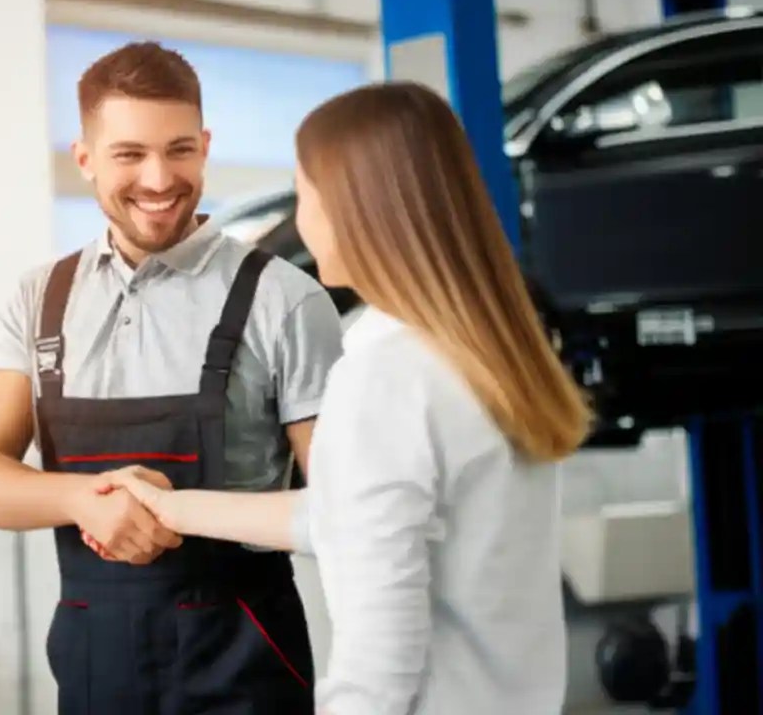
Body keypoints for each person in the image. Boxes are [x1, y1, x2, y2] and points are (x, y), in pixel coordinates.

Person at [99, 81, 593, 715]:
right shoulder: (486, 356)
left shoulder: (386, 377)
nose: (300, 220)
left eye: (304, 194)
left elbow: (379, 669)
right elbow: (356, 519)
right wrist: (174, 508)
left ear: (356, 210)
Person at [0, 41, 345, 714]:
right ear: (85, 159)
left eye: (179, 150)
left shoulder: (285, 299)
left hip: (245, 667)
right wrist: (82, 500)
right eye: (129, 154)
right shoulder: (38, 300)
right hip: (95, 669)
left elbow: (344, 511)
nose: (159, 179)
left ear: (205, 146)